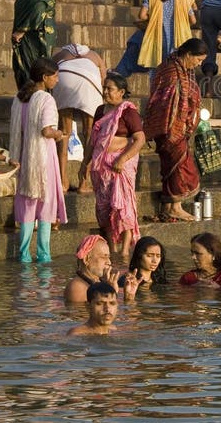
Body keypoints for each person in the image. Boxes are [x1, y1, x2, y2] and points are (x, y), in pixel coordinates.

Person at [78, 72, 145, 261]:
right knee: (104, 208)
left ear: (121, 91)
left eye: (110, 89)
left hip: (120, 167)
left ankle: (124, 251)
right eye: (104, 88)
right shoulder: (100, 110)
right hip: (102, 168)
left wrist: (122, 159)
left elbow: (140, 139)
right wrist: (85, 162)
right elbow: (93, 139)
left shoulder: (128, 112)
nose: (105, 92)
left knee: (123, 207)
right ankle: (111, 248)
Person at [9, 57, 66, 263]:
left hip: (24, 157)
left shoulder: (20, 98)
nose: (57, 80)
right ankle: (44, 254)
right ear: (45, 77)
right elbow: (46, 130)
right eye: (55, 76)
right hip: (42, 157)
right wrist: (60, 134)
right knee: (45, 205)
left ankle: (24, 255)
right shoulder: (46, 99)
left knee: (27, 205)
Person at [143, 38, 207, 222]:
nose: (198, 64)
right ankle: (175, 207)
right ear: (188, 55)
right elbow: (164, 101)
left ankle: (170, 206)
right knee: (179, 167)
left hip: (180, 126)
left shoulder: (183, 70)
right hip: (169, 126)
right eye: (198, 59)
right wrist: (174, 125)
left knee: (174, 166)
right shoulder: (170, 70)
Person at [51, 43, 107, 192]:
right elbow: (103, 80)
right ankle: (84, 182)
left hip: (63, 77)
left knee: (64, 132)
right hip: (88, 80)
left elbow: (49, 68)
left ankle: (63, 181)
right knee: (89, 132)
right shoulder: (96, 57)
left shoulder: (60, 53)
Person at [11, 0, 57, 89]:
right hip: (41, 36)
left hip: (33, 37)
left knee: (31, 73)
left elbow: (39, 8)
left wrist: (22, 30)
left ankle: (31, 103)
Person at [64, 234, 120, 302]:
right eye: (104, 257)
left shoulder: (100, 282)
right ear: (86, 260)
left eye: (108, 257)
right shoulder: (77, 288)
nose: (109, 262)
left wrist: (128, 296)